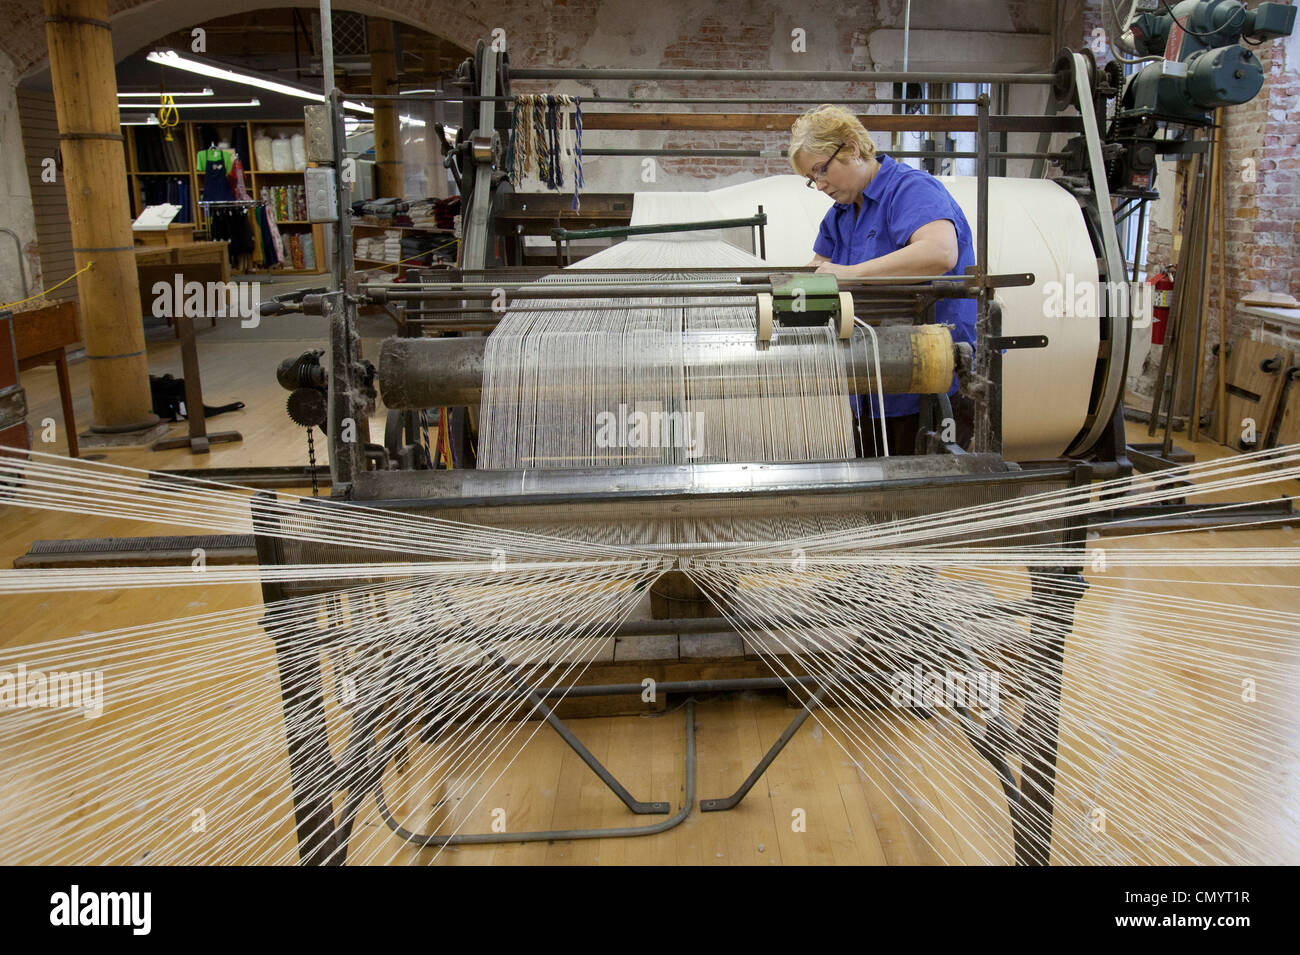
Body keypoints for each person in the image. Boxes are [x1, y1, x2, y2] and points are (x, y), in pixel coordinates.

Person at [788, 104, 976, 455]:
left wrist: (852, 274)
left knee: (919, 496)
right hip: (872, 382)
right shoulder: (839, 216)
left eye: (821, 170)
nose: (820, 184)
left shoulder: (909, 190)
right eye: (812, 179)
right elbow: (819, 275)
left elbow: (940, 253)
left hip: (931, 381)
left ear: (852, 148)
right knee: (877, 492)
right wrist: (779, 300)